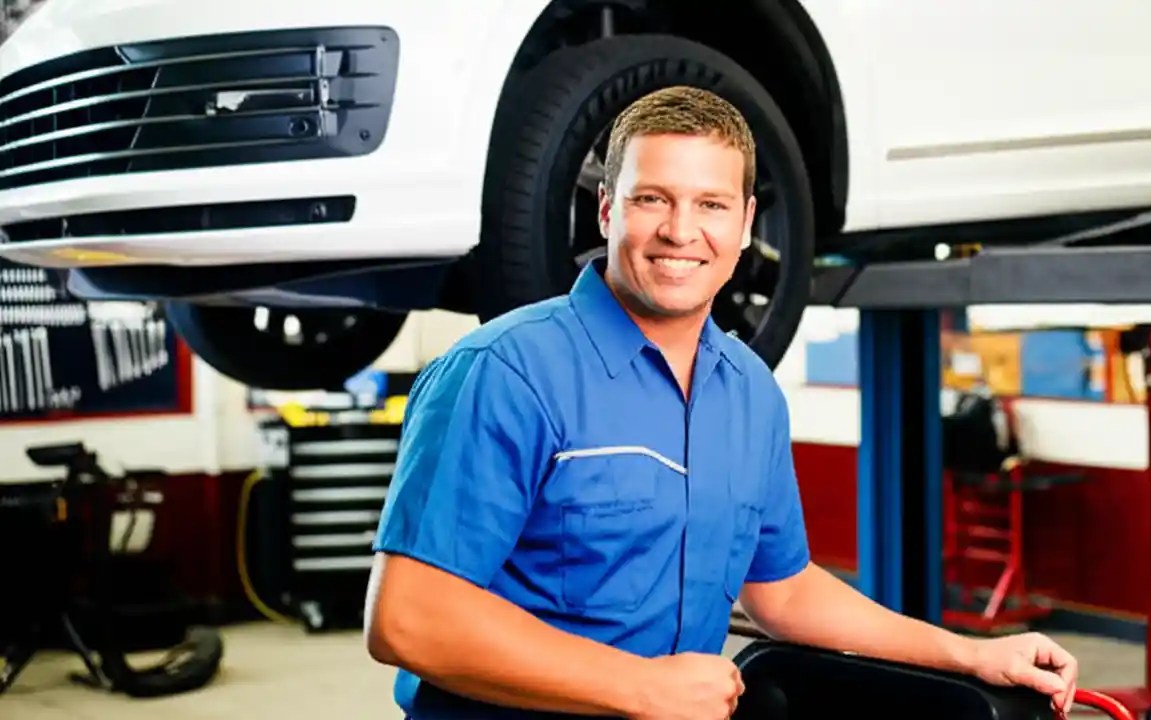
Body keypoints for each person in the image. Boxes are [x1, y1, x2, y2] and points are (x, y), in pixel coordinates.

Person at [364, 85, 1079, 720]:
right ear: (609, 210)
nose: (682, 230)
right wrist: (643, 689)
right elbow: (409, 620)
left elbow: (785, 591)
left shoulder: (749, 391)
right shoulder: (504, 373)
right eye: (654, 198)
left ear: (745, 222)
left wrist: (968, 654)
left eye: (710, 204)